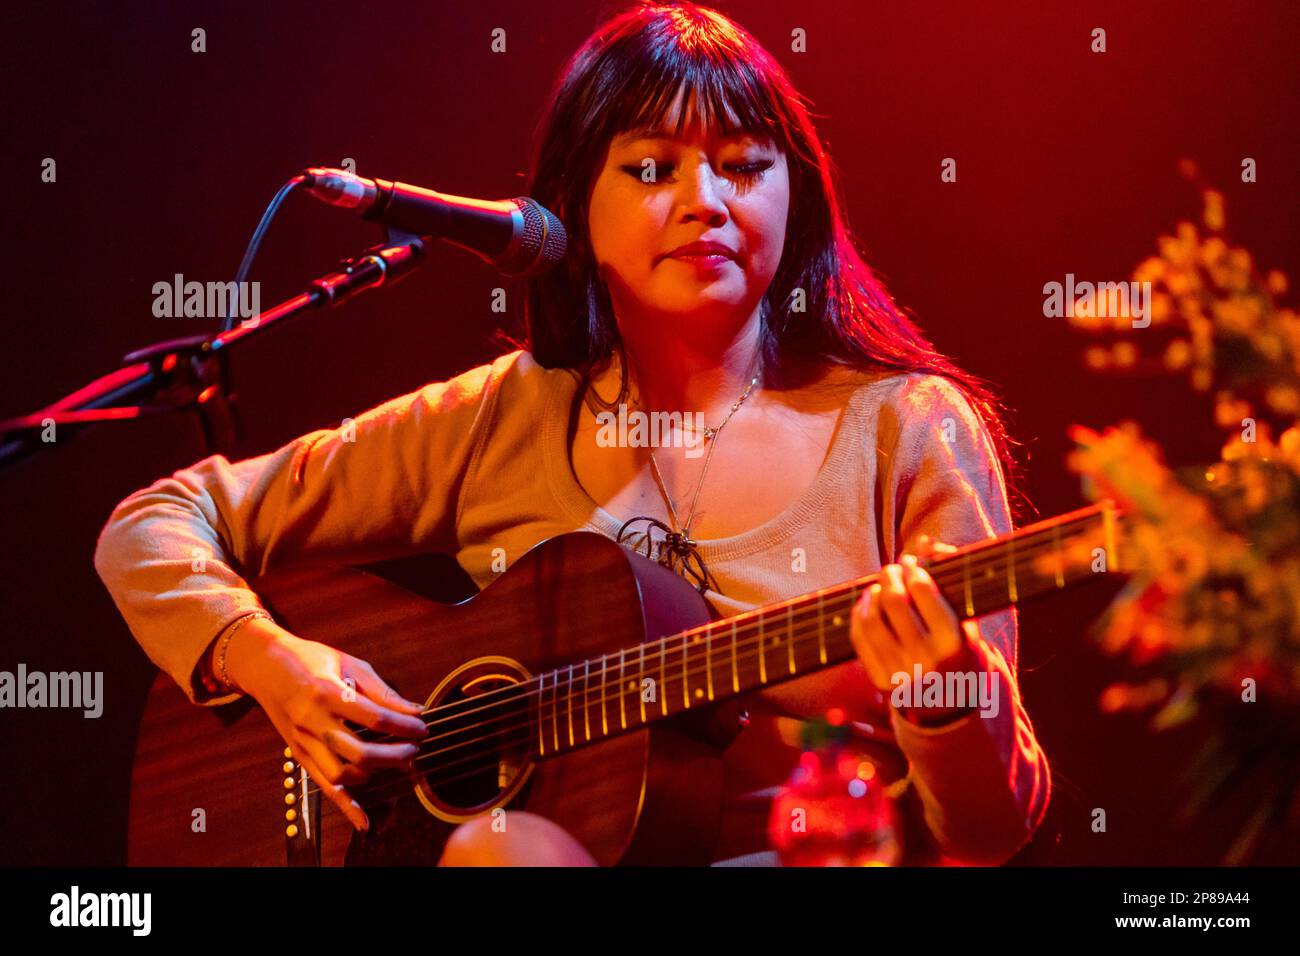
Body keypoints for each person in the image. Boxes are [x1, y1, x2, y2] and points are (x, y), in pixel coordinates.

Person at [94, 1, 1050, 866]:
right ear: (570, 211)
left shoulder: (905, 427)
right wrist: (273, 663)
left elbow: (990, 831)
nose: (706, 201)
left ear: (795, 196)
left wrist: (947, 695)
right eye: (651, 168)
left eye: (745, 165)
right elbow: (156, 523)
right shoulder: (504, 414)